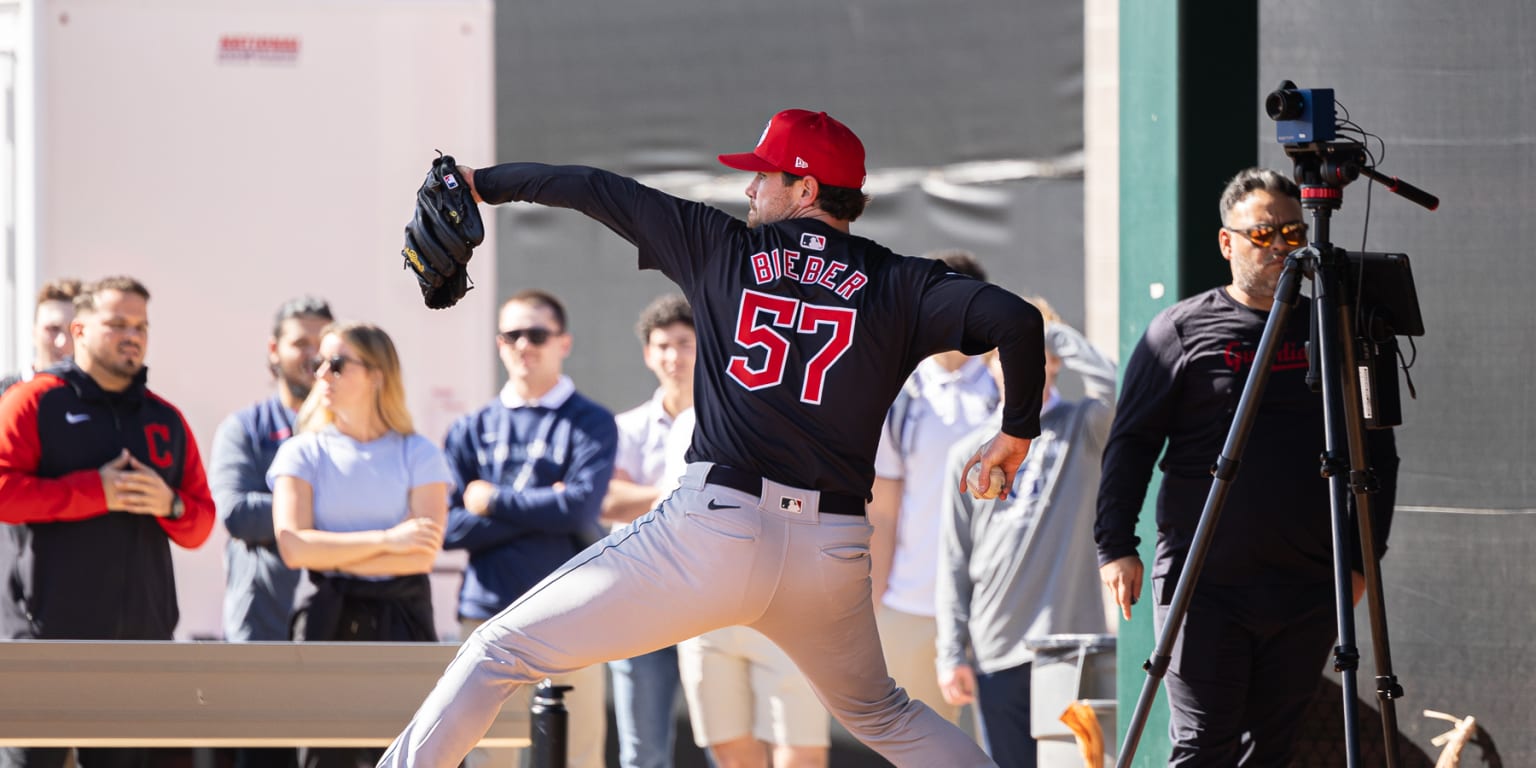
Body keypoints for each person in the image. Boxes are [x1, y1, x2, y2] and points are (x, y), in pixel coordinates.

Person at [380, 107, 1045, 768]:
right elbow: (1017, 321)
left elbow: (594, 187)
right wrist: (1015, 435)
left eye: (765, 176)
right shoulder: (902, 281)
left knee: (497, 651)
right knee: (885, 716)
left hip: (712, 533)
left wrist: (480, 181)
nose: (751, 189)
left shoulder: (722, 245)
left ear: (807, 189)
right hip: (830, 551)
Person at [1094, 167, 1399, 767]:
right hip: (1203, 585)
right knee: (1203, 745)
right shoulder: (1179, 332)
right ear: (1226, 241)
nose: (1280, 246)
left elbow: (1378, 453)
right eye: (1262, 234)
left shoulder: (1331, 327)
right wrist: (1114, 545)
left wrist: (1363, 562)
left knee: (1272, 750)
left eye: (1291, 231)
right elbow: (1130, 443)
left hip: (1307, 588)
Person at [0, 275, 216, 768]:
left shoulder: (166, 419)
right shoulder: (34, 401)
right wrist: (93, 492)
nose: (132, 335)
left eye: (140, 325)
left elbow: (201, 522)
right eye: (117, 323)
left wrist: (170, 505)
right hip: (44, 645)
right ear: (79, 330)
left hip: (140, 646)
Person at [440, 290, 617, 768]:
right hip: (486, 614)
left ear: (564, 343)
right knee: (487, 759)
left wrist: (492, 500)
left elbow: (579, 511)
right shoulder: (469, 428)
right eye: (511, 334)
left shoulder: (591, 422)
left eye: (536, 334)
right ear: (499, 344)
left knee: (576, 756)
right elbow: (449, 528)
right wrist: (546, 505)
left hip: (574, 614)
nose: (524, 345)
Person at [935, 301, 1116, 767]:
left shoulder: (1083, 427)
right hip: (996, 649)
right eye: (1005, 354)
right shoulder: (966, 451)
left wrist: (1050, 335)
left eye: (1033, 353)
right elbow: (954, 559)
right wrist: (951, 651)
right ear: (988, 366)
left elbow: (1120, 392)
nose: (1018, 363)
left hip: (1071, 647)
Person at [268, 321, 451, 768]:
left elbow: (422, 552)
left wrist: (333, 549)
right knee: (323, 758)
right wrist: (389, 539)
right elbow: (294, 547)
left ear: (376, 374)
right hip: (327, 619)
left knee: (414, 754)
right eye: (318, 364)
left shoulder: (419, 452)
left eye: (336, 363)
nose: (321, 375)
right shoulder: (302, 452)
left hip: (403, 620)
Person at [868, 250, 996, 729]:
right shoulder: (899, 394)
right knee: (922, 747)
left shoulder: (1012, 388)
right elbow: (883, 508)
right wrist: (876, 604)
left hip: (995, 609)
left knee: (1002, 752)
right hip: (912, 606)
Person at [665, 407, 831, 768]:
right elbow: (671, 513)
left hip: (786, 607)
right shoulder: (688, 423)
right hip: (705, 614)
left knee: (800, 753)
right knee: (729, 751)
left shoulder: (805, 418)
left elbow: (816, 507)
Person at [601, 294, 697, 768]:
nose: (673, 356)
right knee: (643, 753)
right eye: (663, 345)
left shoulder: (730, 425)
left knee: (729, 743)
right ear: (647, 354)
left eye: (684, 343)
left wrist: (647, 496)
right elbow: (607, 500)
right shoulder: (627, 427)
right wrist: (679, 494)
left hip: (713, 601)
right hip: (640, 600)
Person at [212, 297, 335, 644]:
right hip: (260, 629)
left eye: (321, 345)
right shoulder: (245, 428)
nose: (313, 356)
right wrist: (330, 506)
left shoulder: (352, 432)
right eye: (300, 344)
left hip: (338, 624)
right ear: (274, 349)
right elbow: (236, 513)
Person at [0, 278, 82, 397]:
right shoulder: (6, 393)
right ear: (34, 333)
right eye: (53, 329)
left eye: (74, 330)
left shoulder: (103, 397)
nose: (62, 342)